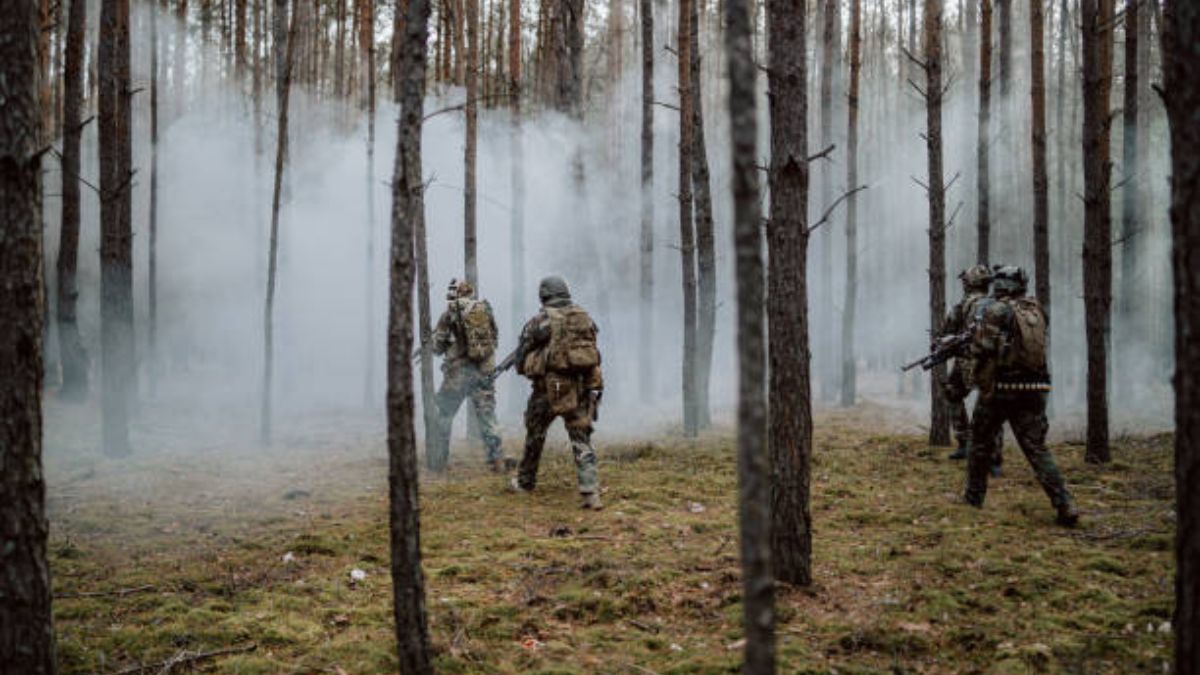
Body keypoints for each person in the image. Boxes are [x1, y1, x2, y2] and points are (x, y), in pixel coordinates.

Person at [963, 265, 1078, 527]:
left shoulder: (997, 310)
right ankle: (1064, 503)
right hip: (1034, 389)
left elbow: (983, 347)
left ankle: (973, 499)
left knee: (980, 443)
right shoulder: (1037, 310)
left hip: (1001, 390)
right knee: (1037, 449)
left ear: (1002, 285)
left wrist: (971, 344)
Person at [507, 276, 604, 510]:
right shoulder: (584, 318)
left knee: (535, 433)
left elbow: (520, 359)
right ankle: (591, 492)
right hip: (579, 388)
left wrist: (533, 361)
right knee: (581, 438)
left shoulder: (540, 322)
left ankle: (525, 482)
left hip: (549, 390)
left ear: (544, 295)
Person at [429, 279, 508, 472]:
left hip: (458, 374)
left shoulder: (450, 314)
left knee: (445, 414)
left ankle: (439, 462)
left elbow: (437, 346)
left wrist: (439, 344)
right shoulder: (484, 310)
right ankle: (497, 461)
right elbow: (495, 337)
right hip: (484, 373)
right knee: (488, 417)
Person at [942, 265, 1003, 476]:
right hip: (994, 364)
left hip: (968, 361)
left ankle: (964, 442)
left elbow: (946, 333)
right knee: (992, 406)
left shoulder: (962, 306)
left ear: (970, 284)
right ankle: (994, 458)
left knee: (953, 392)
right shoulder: (998, 304)